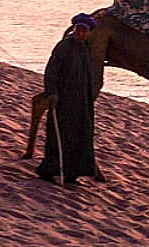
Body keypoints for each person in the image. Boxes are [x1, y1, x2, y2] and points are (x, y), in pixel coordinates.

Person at [36, 13, 101, 185]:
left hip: (81, 103)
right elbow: (51, 71)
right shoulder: (64, 47)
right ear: (74, 29)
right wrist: (52, 92)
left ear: (88, 32)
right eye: (78, 29)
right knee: (60, 136)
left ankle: (72, 174)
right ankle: (53, 171)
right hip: (63, 101)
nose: (80, 33)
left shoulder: (86, 49)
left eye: (84, 30)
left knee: (79, 137)